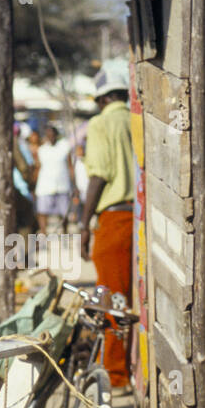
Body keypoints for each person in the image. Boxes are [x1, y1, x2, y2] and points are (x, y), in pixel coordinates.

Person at [79, 58, 136, 388]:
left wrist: (84, 223)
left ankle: (116, 374)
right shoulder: (136, 121)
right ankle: (128, 368)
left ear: (102, 99)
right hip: (139, 219)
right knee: (132, 298)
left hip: (114, 219)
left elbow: (99, 174)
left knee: (112, 300)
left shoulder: (100, 124)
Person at [33, 123, 74, 236]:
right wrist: (33, 185)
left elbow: (70, 166)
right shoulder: (42, 150)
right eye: (48, 134)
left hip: (62, 185)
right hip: (45, 185)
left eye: (52, 134)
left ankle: (64, 233)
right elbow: (38, 167)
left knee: (64, 212)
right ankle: (44, 233)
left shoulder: (64, 147)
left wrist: (74, 184)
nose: (50, 136)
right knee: (42, 211)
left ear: (56, 135)